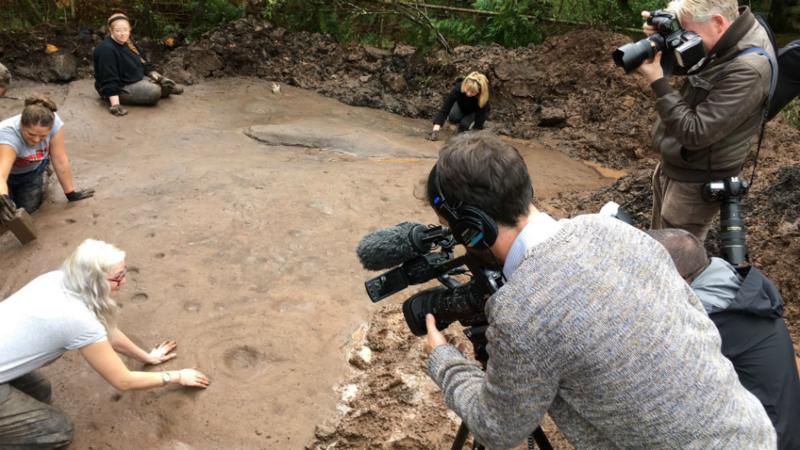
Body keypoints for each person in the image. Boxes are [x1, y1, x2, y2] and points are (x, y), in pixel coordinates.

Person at [422, 132, 774, 449]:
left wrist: (443, 359)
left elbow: (498, 429)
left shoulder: (520, 311)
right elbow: (696, 317)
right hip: (753, 432)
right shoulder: (615, 231)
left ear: (472, 229)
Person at [0, 239, 211, 448]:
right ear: (94, 282)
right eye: (118, 277)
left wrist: (148, 357)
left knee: (41, 391)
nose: (124, 281)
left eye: (124, 272)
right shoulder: (77, 319)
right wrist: (177, 376)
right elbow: (124, 381)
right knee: (59, 431)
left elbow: (108, 331)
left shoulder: (58, 278)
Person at [647, 228, 800, 450]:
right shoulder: (731, 287)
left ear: (676, 277)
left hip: (761, 441)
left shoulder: (707, 319)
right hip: (781, 429)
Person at [637, 0, 774, 240]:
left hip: (696, 179)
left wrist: (658, 82)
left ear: (718, 22)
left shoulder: (749, 68)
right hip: (679, 163)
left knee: (676, 255)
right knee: (658, 243)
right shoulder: (729, 37)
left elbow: (696, 132)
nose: (687, 38)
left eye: (689, 31)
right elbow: (698, 63)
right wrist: (667, 41)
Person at [0, 96, 94, 222]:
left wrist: (70, 193)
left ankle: (44, 174)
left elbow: (59, 158)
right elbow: (1, 174)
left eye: (43, 136)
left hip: (32, 172)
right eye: (31, 134)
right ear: (21, 124)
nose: (36, 140)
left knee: (28, 211)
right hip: (7, 174)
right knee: (5, 212)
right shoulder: (7, 135)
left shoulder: (54, 123)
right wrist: (2, 197)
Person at [92, 12, 183, 117]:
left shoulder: (128, 43)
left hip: (134, 78)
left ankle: (162, 87)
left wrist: (160, 78)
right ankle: (160, 89)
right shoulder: (106, 50)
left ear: (130, 29)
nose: (122, 33)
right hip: (118, 86)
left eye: (125, 30)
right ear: (111, 30)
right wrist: (115, 105)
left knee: (167, 84)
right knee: (154, 92)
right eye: (118, 30)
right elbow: (109, 77)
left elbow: (143, 62)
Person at [429, 72, 490, 141]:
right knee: (453, 117)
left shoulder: (483, 98)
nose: (468, 94)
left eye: (473, 92)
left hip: (474, 112)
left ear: (479, 91)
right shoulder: (458, 88)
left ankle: (466, 123)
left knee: (464, 125)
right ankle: (460, 120)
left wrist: (475, 133)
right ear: (465, 85)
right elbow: (445, 109)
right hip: (462, 107)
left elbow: (480, 120)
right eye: (467, 90)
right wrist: (435, 130)